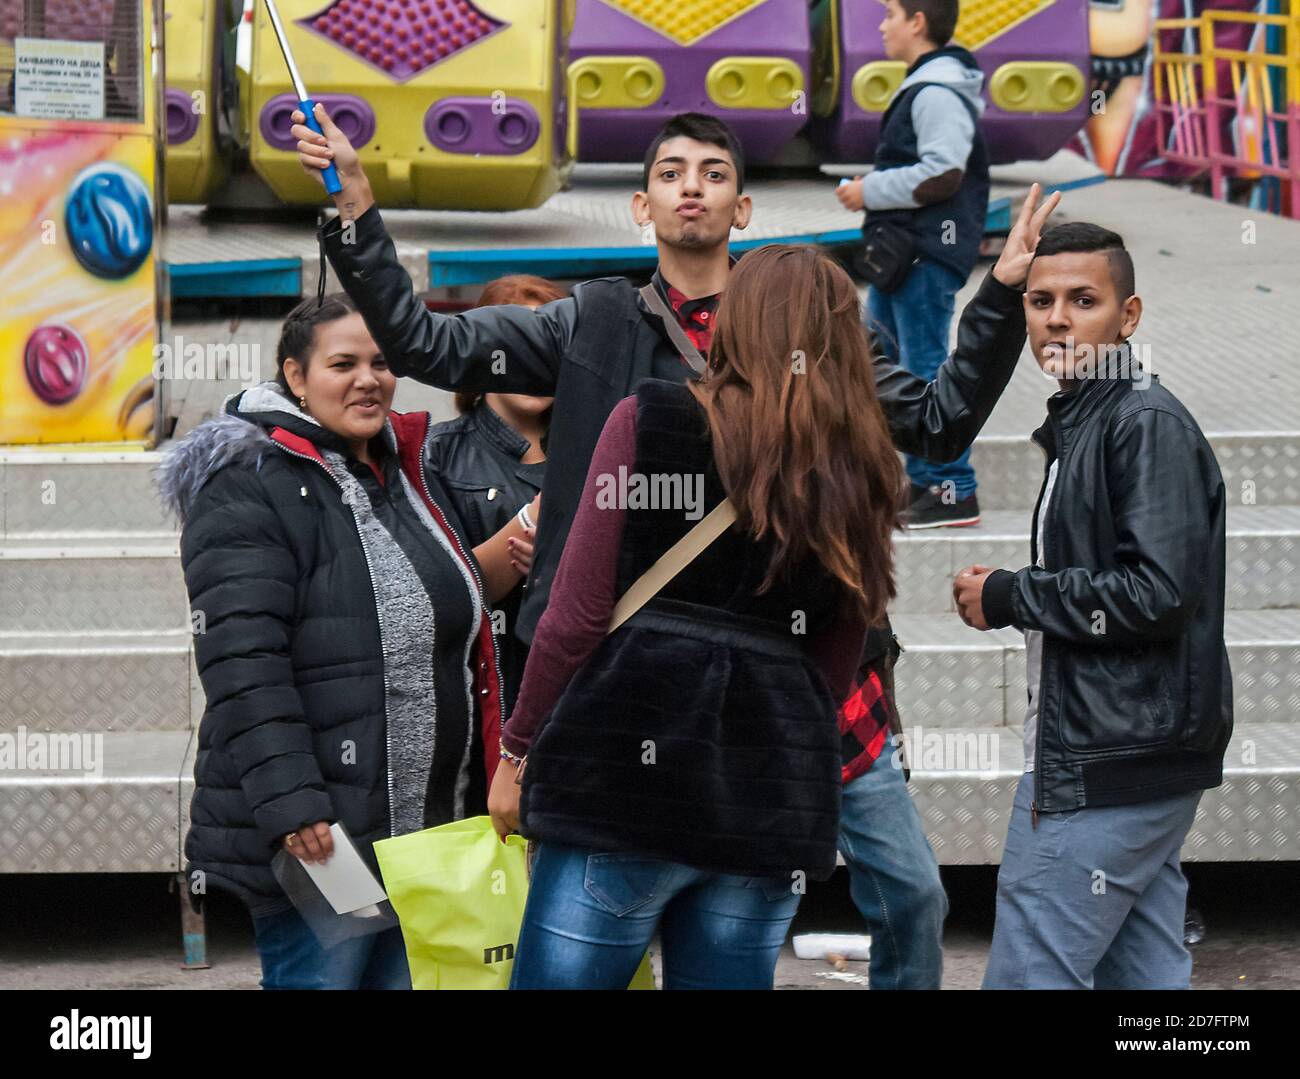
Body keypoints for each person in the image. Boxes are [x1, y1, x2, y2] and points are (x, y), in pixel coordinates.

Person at [291, 105, 1056, 986]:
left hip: (787, 687)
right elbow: (430, 344)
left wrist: (997, 292)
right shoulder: (594, 323)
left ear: (743, 211)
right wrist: (356, 209)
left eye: (714, 173)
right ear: (641, 207)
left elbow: (936, 417)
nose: (691, 185)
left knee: (909, 890)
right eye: (670, 172)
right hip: (625, 699)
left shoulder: (809, 324)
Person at [487, 244, 902, 987]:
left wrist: (517, 750)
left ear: (738, 323)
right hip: (764, 801)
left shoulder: (651, 419)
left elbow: (576, 616)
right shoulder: (862, 467)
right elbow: (834, 664)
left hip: (620, 783)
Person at [156, 294, 536, 990]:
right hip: (326, 839)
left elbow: (443, 598)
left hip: (422, 835)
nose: (369, 378)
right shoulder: (251, 481)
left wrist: (527, 542)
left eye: (382, 362)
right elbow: (244, 662)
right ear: (295, 377)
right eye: (343, 363)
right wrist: (296, 802)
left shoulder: (406, 470)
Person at [951, 223, 1232, 989]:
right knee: (1142, 984)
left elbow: (1159, 592)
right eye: (1041, 301)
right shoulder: (1091, 418)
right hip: (1130, 754)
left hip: (1106, 763)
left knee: (1028, 977)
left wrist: (1012, 593)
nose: (1058, 319)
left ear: (1129, 315)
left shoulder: (1141, 421)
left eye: (1084, 299)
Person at [836, 0, 991, 528]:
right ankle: (920, 481)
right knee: (882, 361)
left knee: (922, 366)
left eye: (890, 15)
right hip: (905, 255)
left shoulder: (937, 90)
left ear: (917, 23)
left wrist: (868, 191)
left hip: (923, 254)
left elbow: (942, 174)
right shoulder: (929, 83)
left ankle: (951, 489)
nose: (882, 26)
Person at [427, 274, 563, 714]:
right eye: (515, 341)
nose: (534, 358)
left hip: (578, 706)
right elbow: (434, 595)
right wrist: (533, 526)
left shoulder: (605, 445)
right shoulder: (433, 454)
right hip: (479, 707)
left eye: (548, 340)